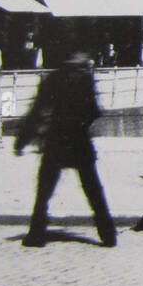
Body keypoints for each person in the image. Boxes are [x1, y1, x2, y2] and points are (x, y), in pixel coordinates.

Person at [15, 52, 116, 248]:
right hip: (79, 140)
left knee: (44, 190)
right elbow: (95, 111)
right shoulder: (86, 79)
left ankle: (36, 234)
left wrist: (21, 140)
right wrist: (81, 124)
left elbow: (36, 111)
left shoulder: (53, 79)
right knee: (93, 189)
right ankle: (108, 234)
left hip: (56, 140)